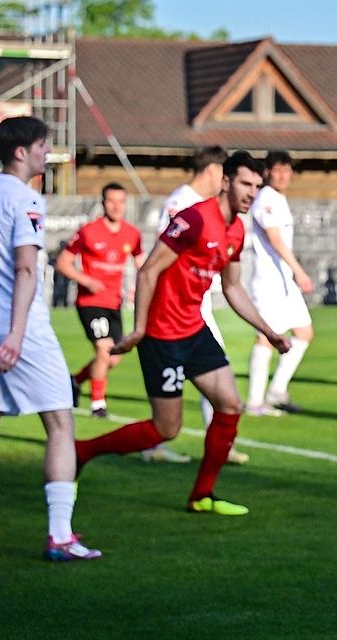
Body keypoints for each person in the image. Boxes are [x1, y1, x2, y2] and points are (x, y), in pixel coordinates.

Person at [75, 151, 290, 516]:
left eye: (257, 186)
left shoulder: (237, 229)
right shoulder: (193, 219)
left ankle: (202, 495)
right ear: (225, 181)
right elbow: (147, 272)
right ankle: (82, 452)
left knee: (230, 405)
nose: (252, 193)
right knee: (166, 429)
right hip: (162, 336)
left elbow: (234, 288)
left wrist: (268, 331)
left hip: (194, 329)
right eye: (245, 183)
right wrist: (141, 329)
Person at [0, 116, 101, 561]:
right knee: (60, 422)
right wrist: (16, 332)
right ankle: (61, 536)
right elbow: (26, 269)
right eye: (42, 147)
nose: (46, 154)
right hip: (18, 326)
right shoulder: (25, 198)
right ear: (21, 152)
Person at [146, 145, 249, 465]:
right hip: (174, 307)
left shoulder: (214, 209)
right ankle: (161, 442)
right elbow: (161, 259)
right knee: (205, 375)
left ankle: (217, 441)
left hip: (195, 301)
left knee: (216, 373)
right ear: (214, 172)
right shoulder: (182, 203)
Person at [56, 183, 144, 417]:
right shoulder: (88, 231)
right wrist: (85, 280)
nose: (116, 206)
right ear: (103, 203)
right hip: (90, 303)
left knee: (113, 358)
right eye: (111, 201)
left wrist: (139, 288)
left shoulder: (132, 234)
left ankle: (75, 380)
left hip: (113, 303)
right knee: (104, 349)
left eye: (121, 201)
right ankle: (98, 405)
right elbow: (63, 263)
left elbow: (142, 266)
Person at [245, 150, 313, 416]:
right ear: (267, 172)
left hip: (284, 282)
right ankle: (254, 402)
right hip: (268, 282)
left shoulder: (279, 199)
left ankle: (276, 390)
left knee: (304, 332)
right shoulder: (266, 198)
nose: (283, 175)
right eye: (278, 170)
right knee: (266, 337)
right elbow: (274, 238)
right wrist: (299, 270)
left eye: (287, 170)